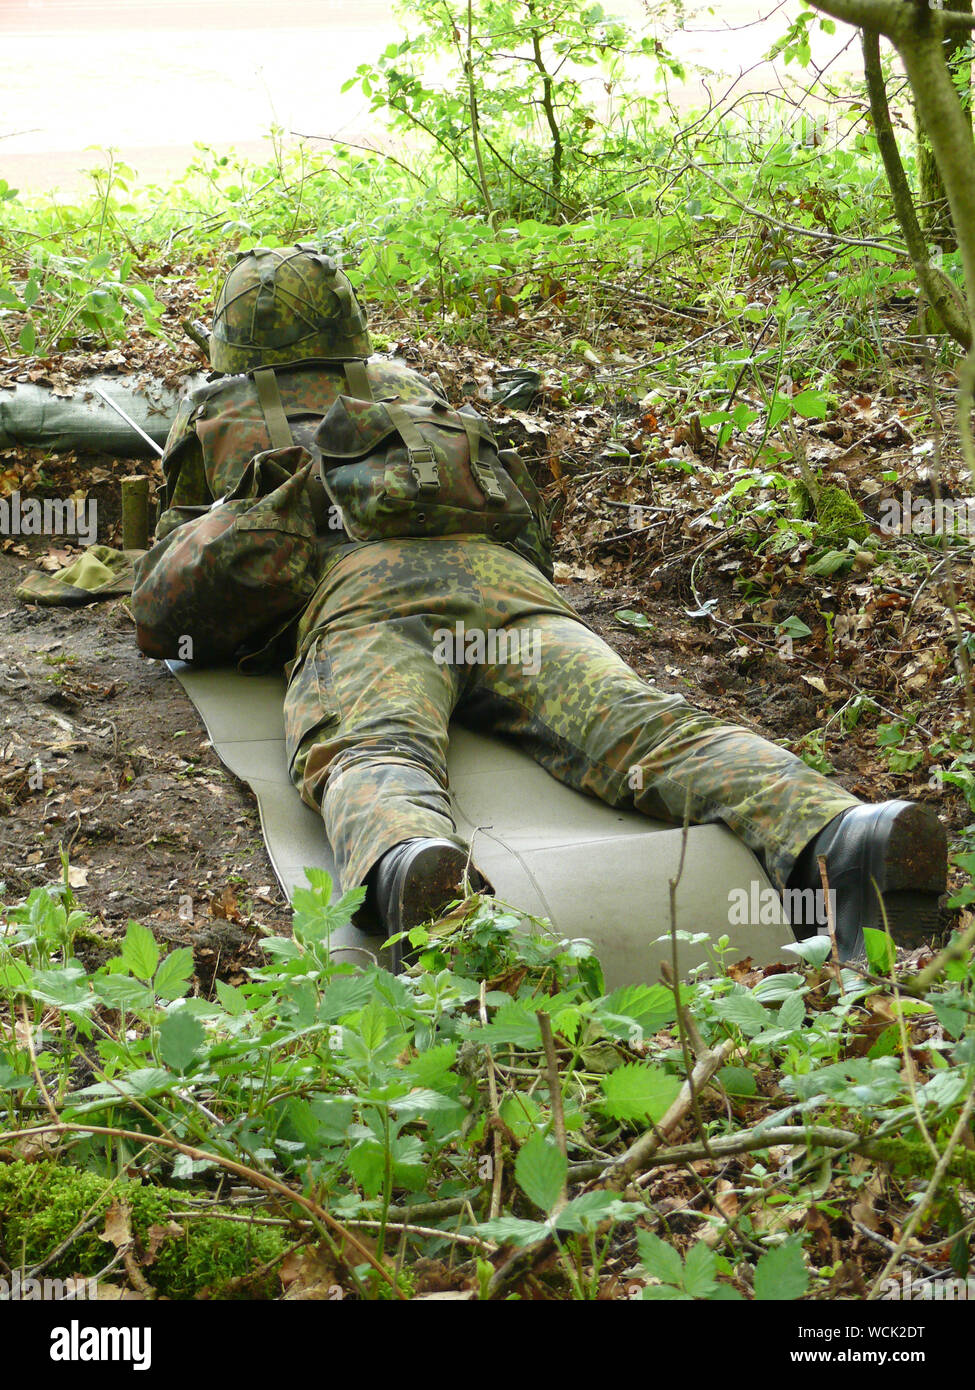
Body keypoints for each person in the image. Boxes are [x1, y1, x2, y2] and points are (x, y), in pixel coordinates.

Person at [132, 243, 947, 968]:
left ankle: (412, 868)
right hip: (508, 591)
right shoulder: (409, 389)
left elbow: (182, 586)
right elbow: (521, 522)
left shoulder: (215, 413)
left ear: (232, 337)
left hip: (365, 608)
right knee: (642, 725)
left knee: (374, 749)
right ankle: (842, 833)